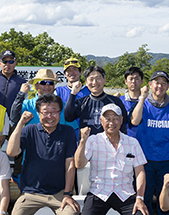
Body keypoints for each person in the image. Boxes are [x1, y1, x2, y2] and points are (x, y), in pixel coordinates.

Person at [5, 94, 79, 215]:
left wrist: (68, 193)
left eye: (55, 111)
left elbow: (70, 164)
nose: (50, 115)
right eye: (46, 112)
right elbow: (11, 151)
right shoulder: (29, 130)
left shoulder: (68, 131)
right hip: (31, 191)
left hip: (59, 192)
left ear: (60, 112)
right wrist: (20, 124)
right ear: (39, 113)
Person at [74, 104, 150, 215]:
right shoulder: (93, 140)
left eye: (115, 118)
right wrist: (82, 141)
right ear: (101, 121)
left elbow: (140, 172)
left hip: (125, 192)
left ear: (121, 120)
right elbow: (79, 164)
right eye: (107, 118)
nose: (111, 122)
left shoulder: (132, 142)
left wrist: (139, 198)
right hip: (99, 191)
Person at [130, 70, 169, 215]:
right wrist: (142, 98)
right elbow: (134, 121)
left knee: (166, 199)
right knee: (144, 198)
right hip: (145, 161)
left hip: (167, 161)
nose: (159, 85)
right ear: (150, 84)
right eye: (156, 82)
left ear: (167, 86)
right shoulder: (143, 104)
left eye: (163, 83)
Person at [64, 65, 128, 194]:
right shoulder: (82, 101)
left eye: (98, 78)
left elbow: (124, 125)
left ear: (104, 80)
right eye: (91, 79)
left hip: (110, 152)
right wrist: (73, 94)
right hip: (87, 152)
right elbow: (68, 116)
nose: (95, 82)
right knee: (85, 190)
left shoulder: (115, 101)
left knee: (111, 188)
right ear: (86, 82)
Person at [55, 57, 89, 133]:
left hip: (86, 135)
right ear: (65, 74)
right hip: (64, 135)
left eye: (75, 69)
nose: (71, 72)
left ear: (80, 72)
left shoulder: (90, 90)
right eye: (68, 70)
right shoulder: (58, 91)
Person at [120, 66, 144, 138]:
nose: (133, 81)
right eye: (131, 79)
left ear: (142, 81)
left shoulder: (148, 101)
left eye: (137, 79)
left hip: (144, 143)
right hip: (125, 142)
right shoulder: (119, 101)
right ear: (126, 81)